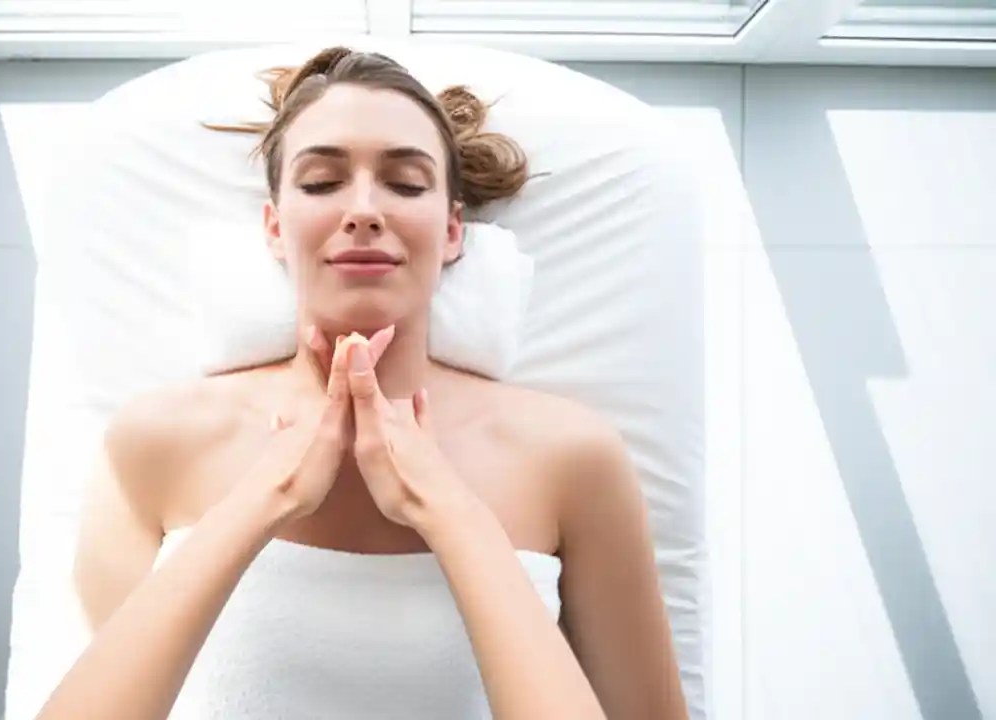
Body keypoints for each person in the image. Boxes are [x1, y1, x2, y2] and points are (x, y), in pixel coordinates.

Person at [37, 47, 687, 719]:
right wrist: (268, 495)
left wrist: (450, 512)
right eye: (321, 183)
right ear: (274, 229)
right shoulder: (157, 442)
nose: (364, 210)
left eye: (406, 184)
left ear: (453, 229)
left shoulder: (570, 454)